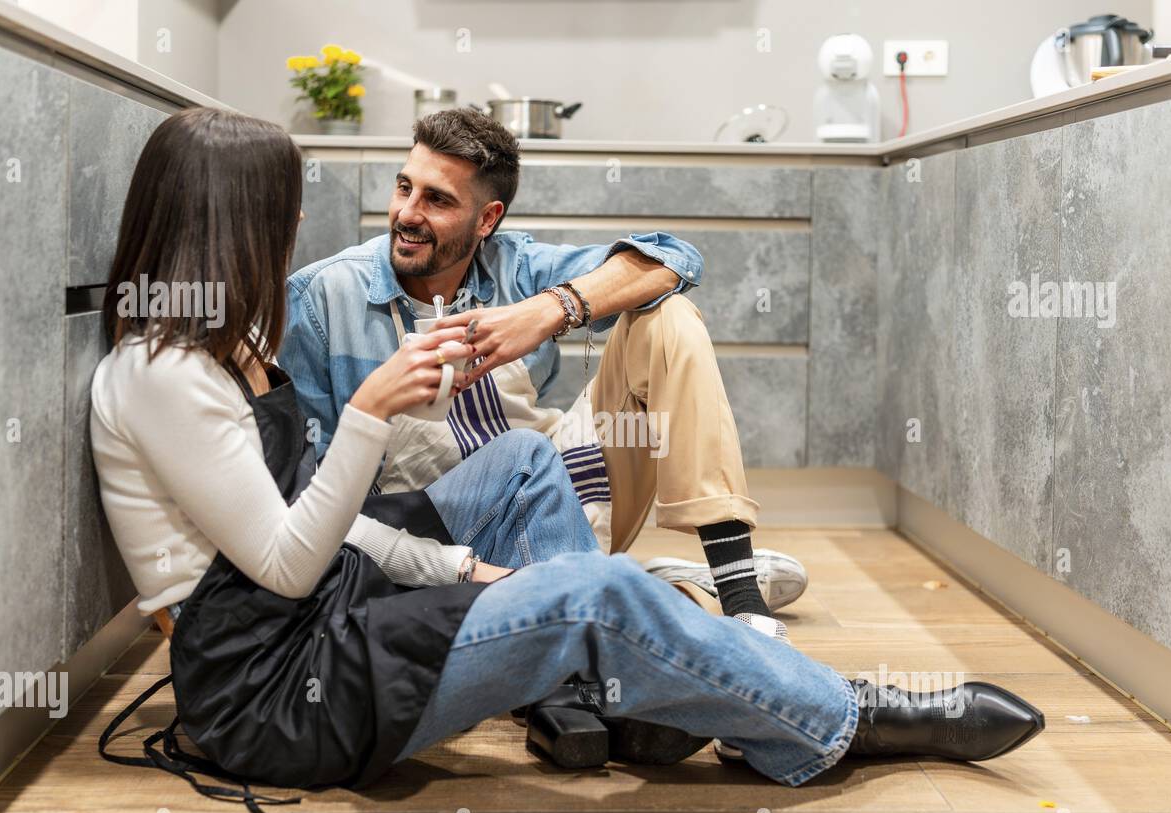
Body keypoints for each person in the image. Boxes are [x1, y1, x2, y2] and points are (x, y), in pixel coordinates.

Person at [92, 107, 1044, 813]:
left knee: (524, 463)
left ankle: (603, 683)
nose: (301, 221)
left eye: (437, 196)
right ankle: (837, 715)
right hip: (278, 691)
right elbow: (290, 564)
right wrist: (370, 413)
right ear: (235, 221)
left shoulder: (223, 351)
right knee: (598, 591)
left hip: (318, 611)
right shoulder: (168, 372)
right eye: (283, 206)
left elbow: (320, 536)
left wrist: (462, 564)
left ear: (487, 217)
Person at [279, 107, 808, 625]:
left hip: (559, 497)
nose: (407, 214)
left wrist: (549, 309)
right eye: (404, 188)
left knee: (667, 317)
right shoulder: (323, 297)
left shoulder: (517, 267)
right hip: (425, 542)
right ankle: (659, 590)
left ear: (487, 218)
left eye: (437, 199)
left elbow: (675, 259)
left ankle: (736, 591)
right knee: (529, 470)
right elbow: (314, 493)